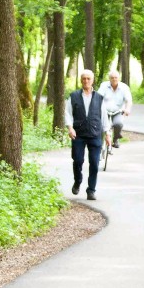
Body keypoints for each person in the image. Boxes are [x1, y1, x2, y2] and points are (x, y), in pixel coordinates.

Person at [64, 69, 111, 201]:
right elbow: (68, 113)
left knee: (95, 163)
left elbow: (104, 117)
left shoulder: (99, 98)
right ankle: (78, 181)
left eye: (88, 78)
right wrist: (70, 128)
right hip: (78, 133)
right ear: (81, 80)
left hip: (95, 133)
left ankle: (91, 190)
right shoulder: (73, 96)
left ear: (92, 80)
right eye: (84, 78)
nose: (86, 81)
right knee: (78, 160)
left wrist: (107, 134)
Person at [97, 69, 133, 148]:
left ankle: (116, 139)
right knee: (100, 125)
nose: (114, 79)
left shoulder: (124, 87)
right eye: (112, 77)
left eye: (116, 77)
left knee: (118, 124)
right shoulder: (104, 85)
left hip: (118, 111)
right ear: (109, 78)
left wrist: (127, 109)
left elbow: (129, 100)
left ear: (118, 78)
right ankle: (98, 142)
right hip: (105, 111)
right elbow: (98, 97)